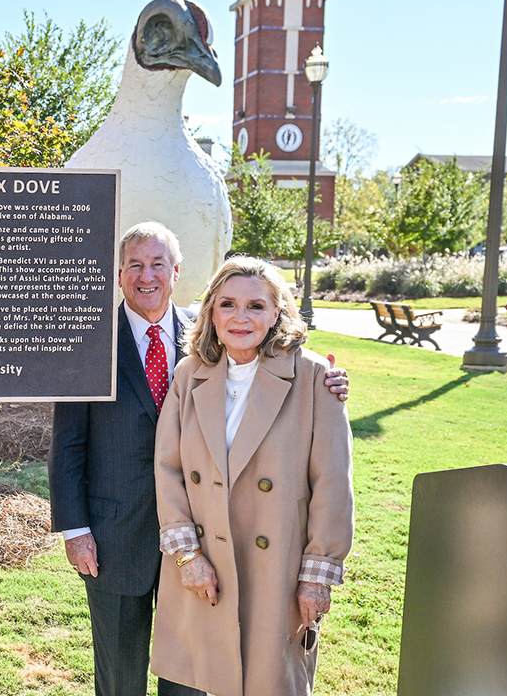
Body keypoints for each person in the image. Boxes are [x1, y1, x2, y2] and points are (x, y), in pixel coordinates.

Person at [48, 223, 348, 696]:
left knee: (191, 675)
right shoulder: (88, 342)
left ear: (176, 272)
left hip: (215, 538)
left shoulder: (206, 334)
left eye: (158, 264)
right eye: (135, 266)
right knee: (121, 677)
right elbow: (67, 444)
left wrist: (329, 380)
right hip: (117, 532)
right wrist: (75, 528)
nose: (147, 276)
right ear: (120, 274)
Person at [152, 257, 354, 696]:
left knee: (266, 682)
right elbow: (168, 469)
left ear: (277, 312)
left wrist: (317, 576)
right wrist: (188, 557)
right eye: (227, 304)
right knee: (199, 678)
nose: (240, 318)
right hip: (205, 567)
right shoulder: (190, 374)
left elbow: (333, 486)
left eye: (256, 306)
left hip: (275, 572)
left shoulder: (315, 376)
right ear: (210, 312)